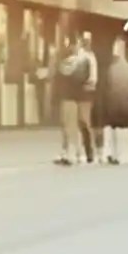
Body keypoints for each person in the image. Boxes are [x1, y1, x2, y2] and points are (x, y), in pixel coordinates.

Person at [54, 34, 97, 165]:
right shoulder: (76, 58)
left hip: (83, 95)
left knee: (82, 123)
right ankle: (75, 152)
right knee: (74, 123)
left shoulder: (87, 58)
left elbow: (91, 78)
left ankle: (85, 152)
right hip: (77, 94)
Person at [98, 37, 128, 164]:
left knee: (111, 128)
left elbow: (107, 88)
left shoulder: (111, 69)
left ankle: (112, 154)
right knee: (125, 129)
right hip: (127, 105)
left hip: (114, 106)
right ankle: (126, 154)